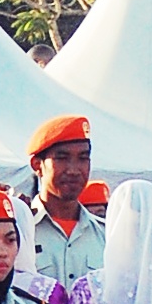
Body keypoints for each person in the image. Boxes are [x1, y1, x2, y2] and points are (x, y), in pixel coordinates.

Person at [27, 115, 105, 292]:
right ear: (37, 165)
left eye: (83, 158)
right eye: (62, 158)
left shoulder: (106, 234)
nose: (74, 170)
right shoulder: (19, 232)